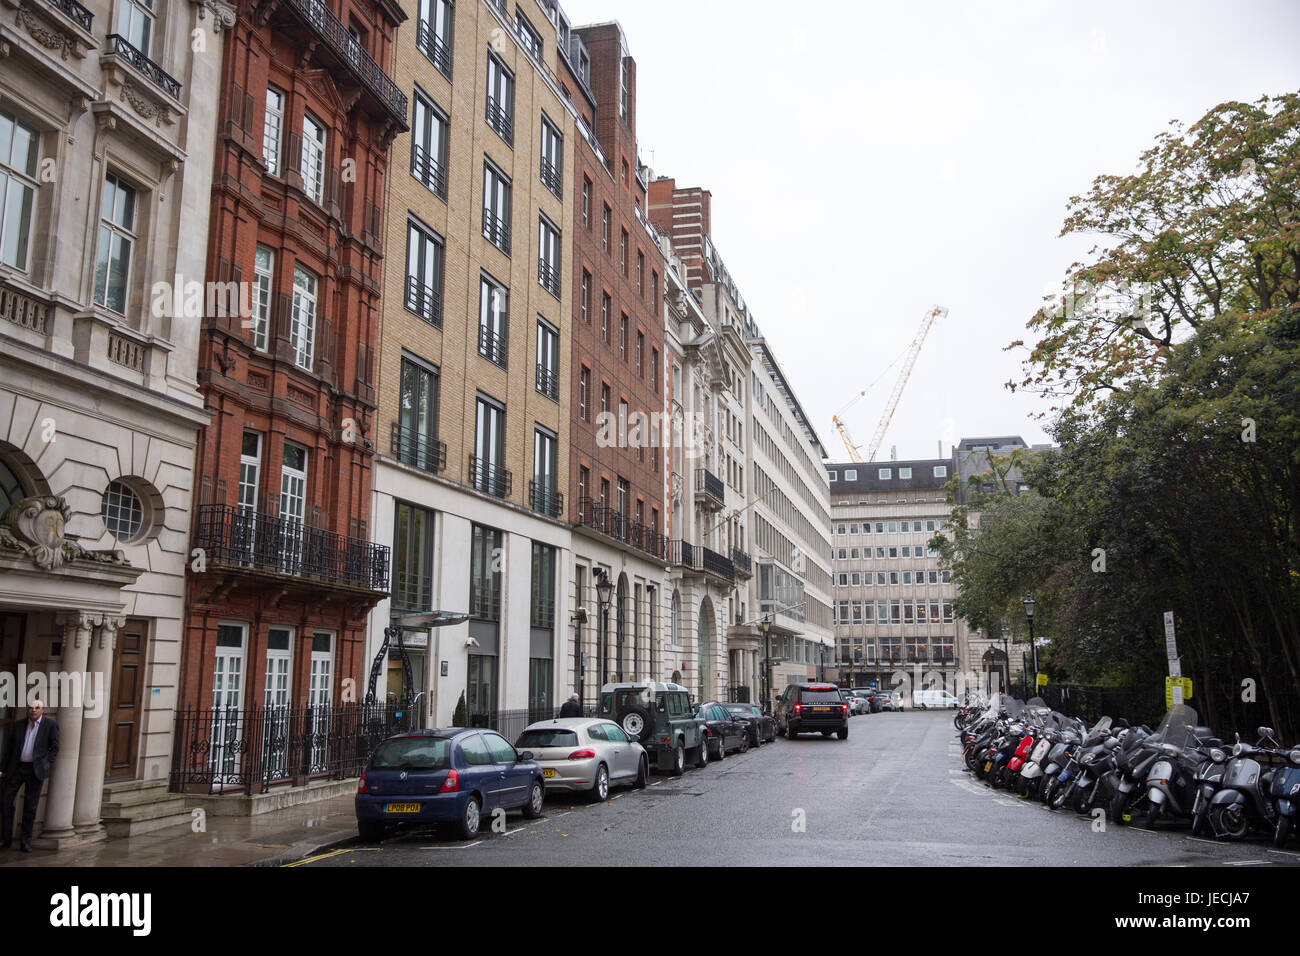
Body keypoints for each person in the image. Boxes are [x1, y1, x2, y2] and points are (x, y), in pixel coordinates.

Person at [1, 699, 59, 852]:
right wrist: (3, 768)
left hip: (35, 771)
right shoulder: (19, 725)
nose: (33, 710)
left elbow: (55, 748)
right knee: (5, 802)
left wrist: (46, 764)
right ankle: (5, 839)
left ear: (42, 710)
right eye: (31, 708)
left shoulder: (50, 725)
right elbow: (10, 749)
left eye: (37, 708)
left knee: (30, 808)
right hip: (16, 768)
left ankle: (25, 842)